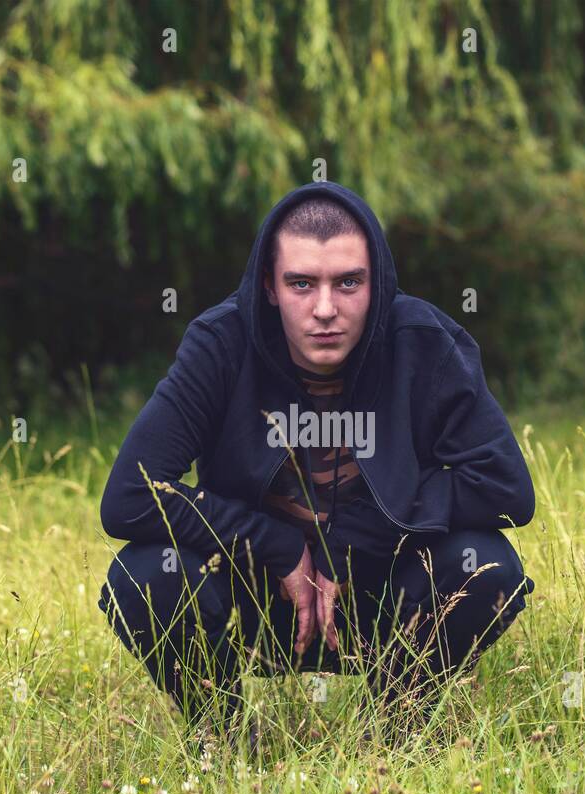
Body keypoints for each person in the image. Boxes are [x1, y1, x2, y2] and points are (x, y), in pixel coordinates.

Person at [98, 180, 536, 740]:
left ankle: (396, 730)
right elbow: (131, 497)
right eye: (301, 283)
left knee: (487, 564)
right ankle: (229, 738)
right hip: (257, 604)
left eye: (348, 282)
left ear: (376, 284)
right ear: (269, 286)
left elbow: (507, 489)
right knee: (141, 576)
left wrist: (355, 542)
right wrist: (272, 545)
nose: (325, 309)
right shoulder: (220, 343)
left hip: (380, 603)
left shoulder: (423, 342)